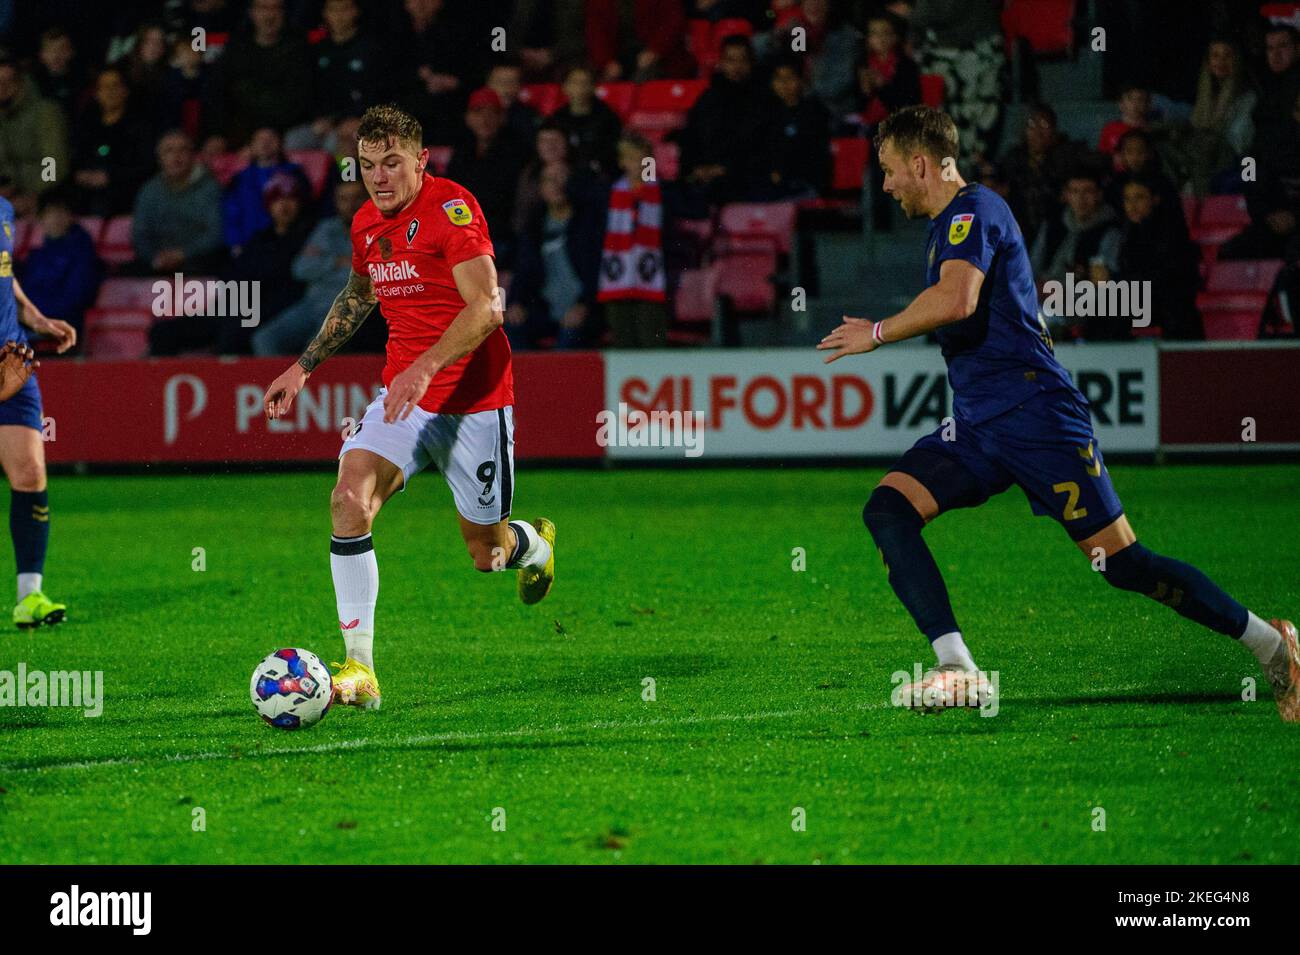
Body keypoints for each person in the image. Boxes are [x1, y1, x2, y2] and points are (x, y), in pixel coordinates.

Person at [815, 105, 1298, 720]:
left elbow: (957, 300)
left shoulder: (975, 211)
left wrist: (877, 332)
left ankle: (1271, 643)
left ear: (919, 163)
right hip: (980, 425)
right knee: (888, 510)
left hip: (1037, 416)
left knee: (1124, 565)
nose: (884, 186)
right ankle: (958, 668)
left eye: (887, 171)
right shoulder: (944, 225)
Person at [261, 105, 555, 711]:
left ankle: (536, 543)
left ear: (421, 161)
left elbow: (487, 308)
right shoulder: (367, 224)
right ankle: (360, 670)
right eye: (367, 165)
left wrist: (427, 367)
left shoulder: (453, 209)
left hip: (474, 397)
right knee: (348, 500)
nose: (378, 177)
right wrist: (304, 365)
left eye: (392, 163)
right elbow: (361, 293)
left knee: (486, 553)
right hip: (405, 399)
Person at [0, 195, 77, 629]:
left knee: (29, 473)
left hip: (11, 358)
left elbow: (5, 276)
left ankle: (29, 597)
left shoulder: (4, 211)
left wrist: (38, 319)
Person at [252, 179, 367, 356]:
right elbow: (301, 268)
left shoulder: (378, 230)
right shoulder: (327, 228)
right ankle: (276, 384)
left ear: (368, 199)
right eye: (344, 199)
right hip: (312, 304)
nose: (350, 205)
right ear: (336, 202)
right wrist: (337, 262)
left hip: (348, 309)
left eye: (356, 198)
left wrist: (325, 266)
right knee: (264, 339)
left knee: (312, 352)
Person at [506, 162, 604, 349]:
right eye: (550, 180)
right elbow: (523, 270)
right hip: (544, 310)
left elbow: (597, 270)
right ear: (542, 188)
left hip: (583, 309)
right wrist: (516, 302)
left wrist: (584, 305)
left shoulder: (589, 221)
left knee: (569, 339)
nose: (558, 185)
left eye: (563, 178)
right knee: (511, 328)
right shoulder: (534, 225)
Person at [598, 132, 668, 348]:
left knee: (651, 338)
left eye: (642, 158)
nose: (637, 163)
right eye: (630, 158)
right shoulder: (612, 191)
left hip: (650, 277)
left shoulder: (659, 190)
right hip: (618, 275)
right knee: (623, 338)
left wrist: (650, 177)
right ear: (621, 162)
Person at [131, 130, 225, 275]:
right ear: (160, 158)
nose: (176, 157)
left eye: (183, 150)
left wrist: (182, 254)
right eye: (169, 151)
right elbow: (140, 234)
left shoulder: (211, 189)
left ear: (193, 155)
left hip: (199, 262)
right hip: (157, 262)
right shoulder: (149, 190)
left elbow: (216, 234)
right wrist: (155, 258)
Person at [15, 188, 100, 346]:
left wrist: (38, 319)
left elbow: (76, 296)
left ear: (71, 216)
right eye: (50, 213)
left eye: (61, 212)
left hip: (62, 324)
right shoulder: (36, 256)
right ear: (40, 219)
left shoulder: (82, 253)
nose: (56, 219)